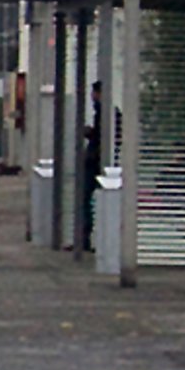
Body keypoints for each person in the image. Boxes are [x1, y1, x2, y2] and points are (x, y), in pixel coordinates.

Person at [79, 81, 102, 251]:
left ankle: (85, 238)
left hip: (95, 162)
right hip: (96, 161)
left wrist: (91, 134)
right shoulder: (103, 114)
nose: (92, 97)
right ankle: (85, 237)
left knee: (85, 198)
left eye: (94, 93)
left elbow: (102, 137)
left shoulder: (104, 113)